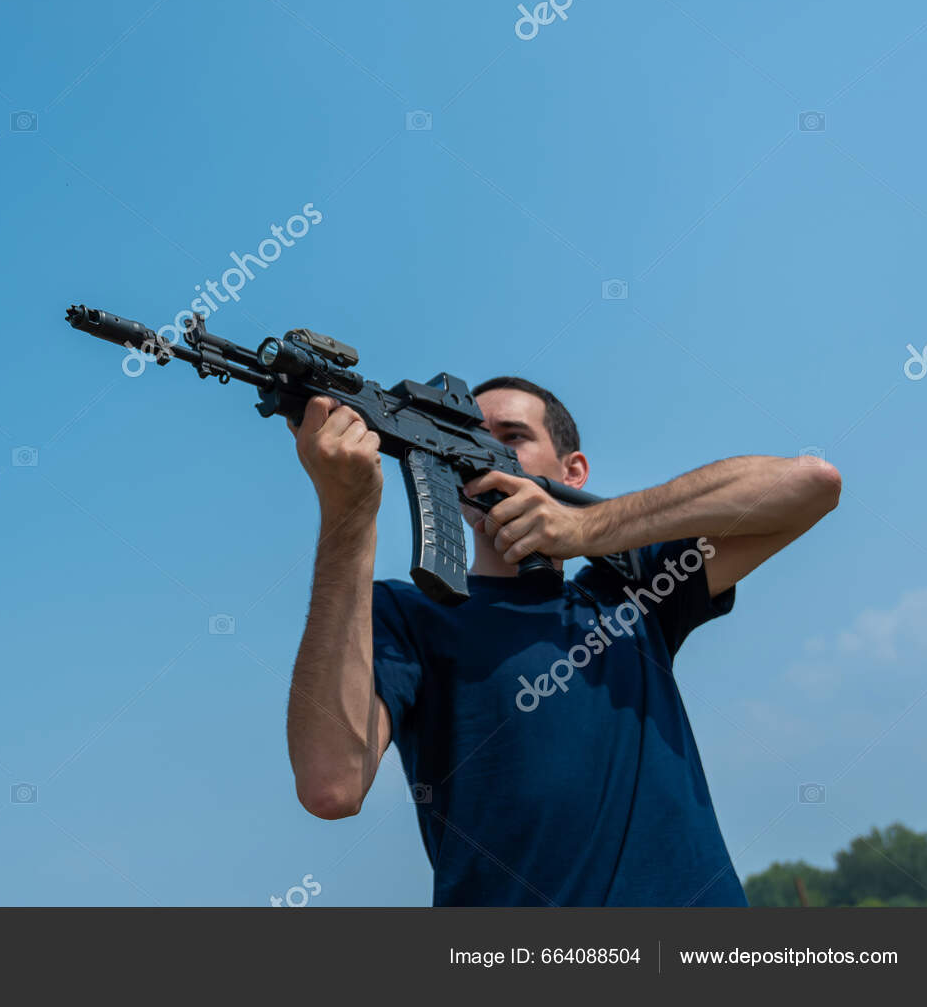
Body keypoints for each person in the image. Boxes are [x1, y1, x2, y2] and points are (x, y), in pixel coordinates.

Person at [283, 376, 841, 906]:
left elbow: (812, 483)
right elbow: (333, 785)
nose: (480, 454)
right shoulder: (408, 614)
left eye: (512, 437)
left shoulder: (633, 593)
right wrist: (348, 517)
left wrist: (585, 529)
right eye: (465, 436)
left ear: (572, 471)